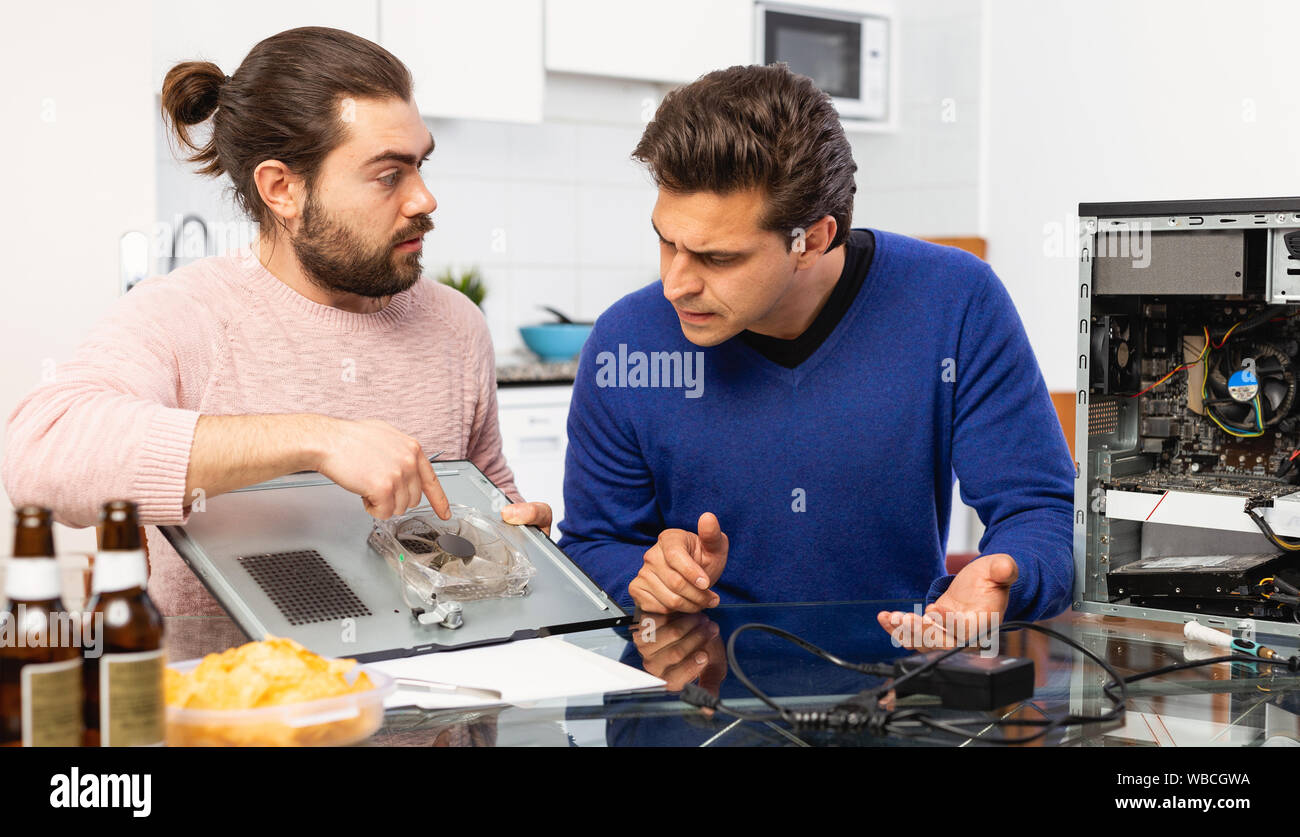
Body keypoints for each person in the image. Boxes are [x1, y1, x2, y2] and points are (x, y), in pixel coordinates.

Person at [1, 27, 550, 617]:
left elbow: (487, 508)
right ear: (282, 188)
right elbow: (41, 451)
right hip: (236, 702)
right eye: (390, 175)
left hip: (435, 700)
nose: (424, 200)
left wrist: (521, 536)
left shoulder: (456, 326)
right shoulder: (184, 315)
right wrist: (317, 439)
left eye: (421, 165)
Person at [556, 64, 1074, 644]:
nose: (676, 282)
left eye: (718, 258)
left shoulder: (955, 301)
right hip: (694, 706)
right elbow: (591, 546)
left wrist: (1006, 578)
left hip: (894, 698)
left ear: (815, 239)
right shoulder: (625, 341)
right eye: (665, 241)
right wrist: (644, 579)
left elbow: (1042, 511)